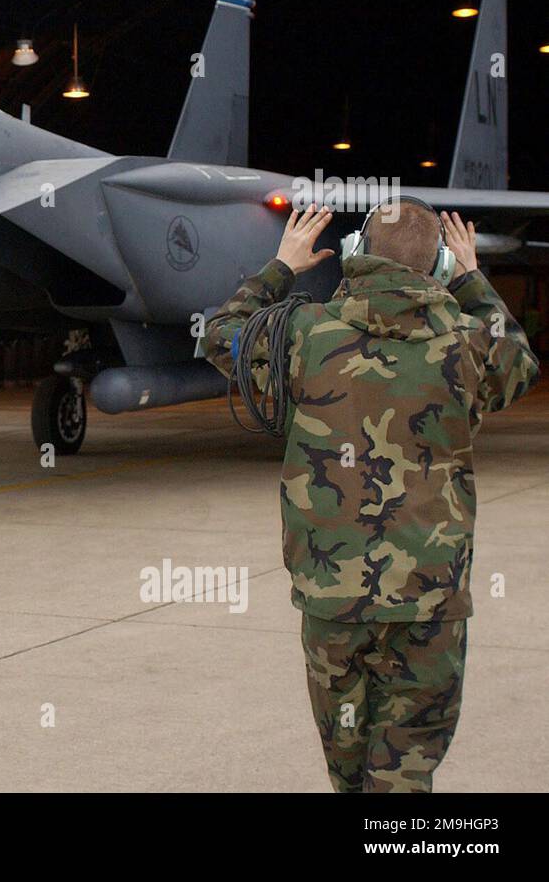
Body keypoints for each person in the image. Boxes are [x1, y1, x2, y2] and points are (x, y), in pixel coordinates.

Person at [203, 198, 539, 792]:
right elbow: (519, 360)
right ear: (435, 264)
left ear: (356, 254)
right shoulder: (466, 343)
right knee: (405, 768)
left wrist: (281, 267)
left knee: (349, 769)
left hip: (333, 601)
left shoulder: (303, 334)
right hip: (428, 601)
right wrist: (471, 277)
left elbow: (221, 337)